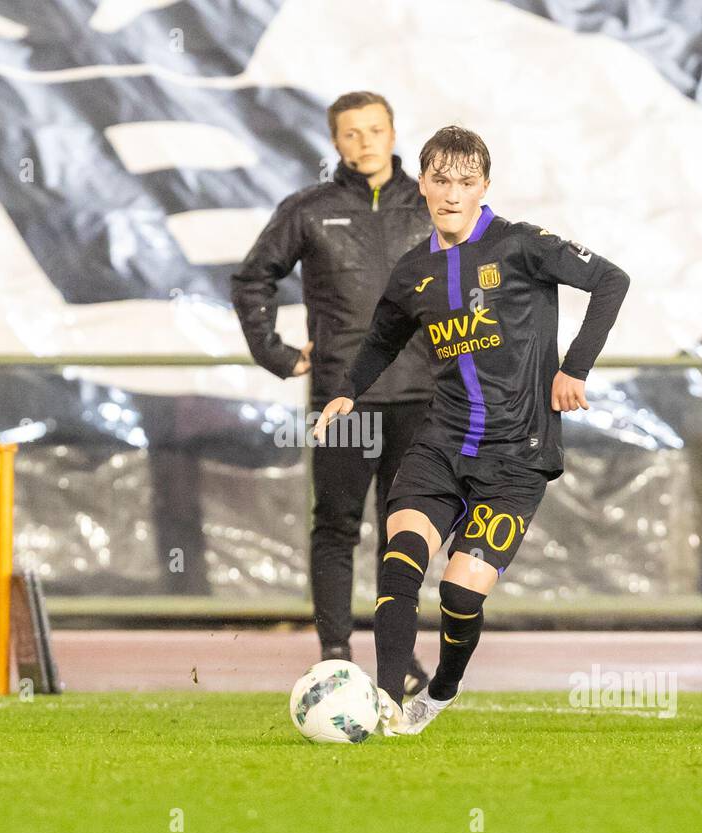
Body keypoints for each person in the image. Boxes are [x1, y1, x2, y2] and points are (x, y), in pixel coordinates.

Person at [314, 126, 630, 734]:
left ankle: (442, 689)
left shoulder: (523, 245)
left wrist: (574, 369)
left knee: (459, 598)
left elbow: (612, 281)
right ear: (424, 186)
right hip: (441, 443)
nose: (452, 193)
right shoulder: (414, 271)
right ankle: (383, 696)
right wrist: (347, 390)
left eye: (466, 182)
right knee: (400, 557)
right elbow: (382, 337)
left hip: (518, 455)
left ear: (484, 186)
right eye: (441, 180)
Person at [232, 91, 434, 691]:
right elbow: (252, 279)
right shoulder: (308, 209)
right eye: (352, 133)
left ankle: (399, 658)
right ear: (336, 142)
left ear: (394, 134)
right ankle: (335, 654)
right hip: (344, 400)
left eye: (375, 130)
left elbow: (482, 283)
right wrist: (275, 353)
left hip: (422, 397)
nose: (365, 141)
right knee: (337, 526)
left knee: (405, 530)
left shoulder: (432, 206)